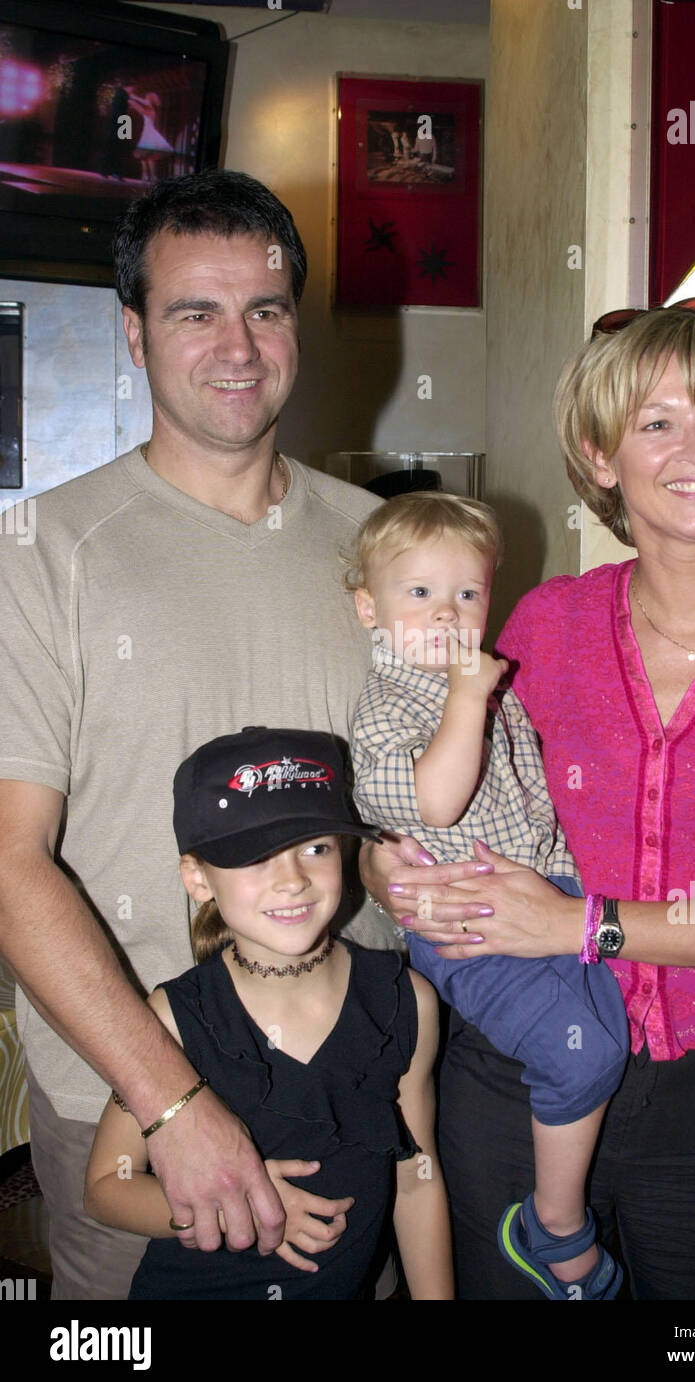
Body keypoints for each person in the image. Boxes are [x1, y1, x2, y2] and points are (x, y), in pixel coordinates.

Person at [360, 301, 695, 1299]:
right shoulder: (546, 626)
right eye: (656, 421)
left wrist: (586, 925)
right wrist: (380, 858)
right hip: (508, 1075)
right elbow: (432, 774)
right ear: (598, 455)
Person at [0, 169, 392, 1299]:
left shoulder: (381, 544)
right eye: (194, 311)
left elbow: (423, 801)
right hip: (134, 1106)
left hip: (351, 1074)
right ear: (134, 332)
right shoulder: (41, 551)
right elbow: (11, 857)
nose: (238, 344)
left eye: (266, 309)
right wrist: (176, 1101)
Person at [348, 493, 628, 1299]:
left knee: (609, 1023)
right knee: (584, 1051)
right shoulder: (392, 704)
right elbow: (435, 801)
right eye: (420, 593)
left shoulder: (480, 687)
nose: (447, 613)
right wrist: (470, 697)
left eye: (467, 594)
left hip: (542, 894)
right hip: (465, 921)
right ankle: (554, 1225)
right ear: (370, 608)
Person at [85, 727, 451, 1300]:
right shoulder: (173, 1019)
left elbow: (417, 1182)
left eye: (315, 847)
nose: (292, 880)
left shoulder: (406, 1002)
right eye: (256, 857)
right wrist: (239, 1205)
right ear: (198, 879)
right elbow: (108, 1186)